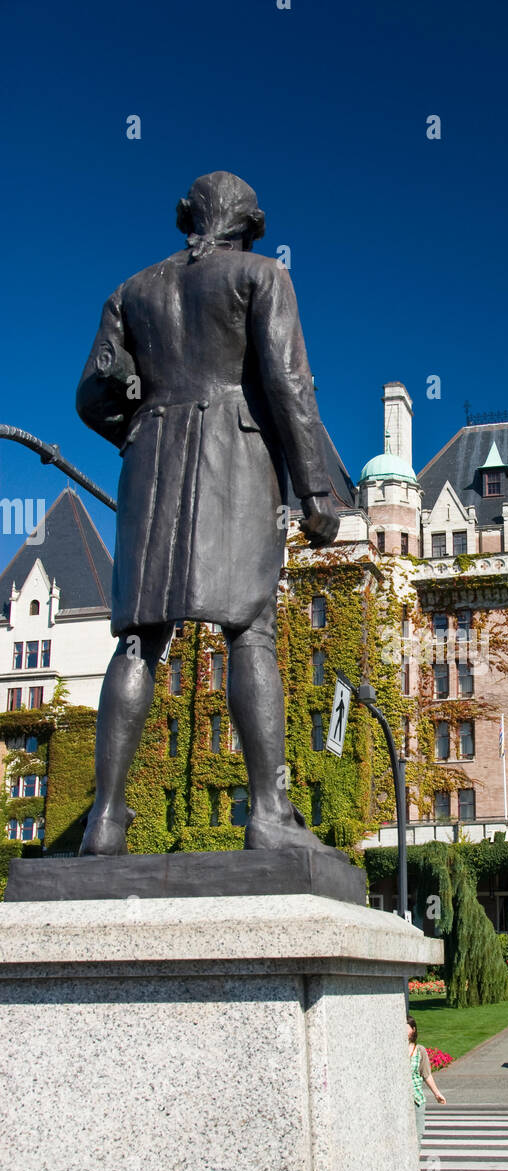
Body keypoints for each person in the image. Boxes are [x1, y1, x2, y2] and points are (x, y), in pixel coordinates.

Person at [75, 171, 340, 855]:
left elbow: (91, 396)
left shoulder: (132, 291)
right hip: (236, 457)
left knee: (139, 638)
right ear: (250, 224)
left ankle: (105, 818)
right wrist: (314, 491)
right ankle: (269, 812)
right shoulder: (262, 277)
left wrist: (138, 425)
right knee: (249, 628)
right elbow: (287, 383)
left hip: (151, 461)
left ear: (186, 217)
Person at [408, 1016, 446, 1148]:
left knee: (417, 1136)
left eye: (405, 1027)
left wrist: (437, 1093)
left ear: (413, 1030)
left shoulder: (419, 1051)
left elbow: (426, 1074)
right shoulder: (394, 1051)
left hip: (416, 1099)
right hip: (399, 1101)